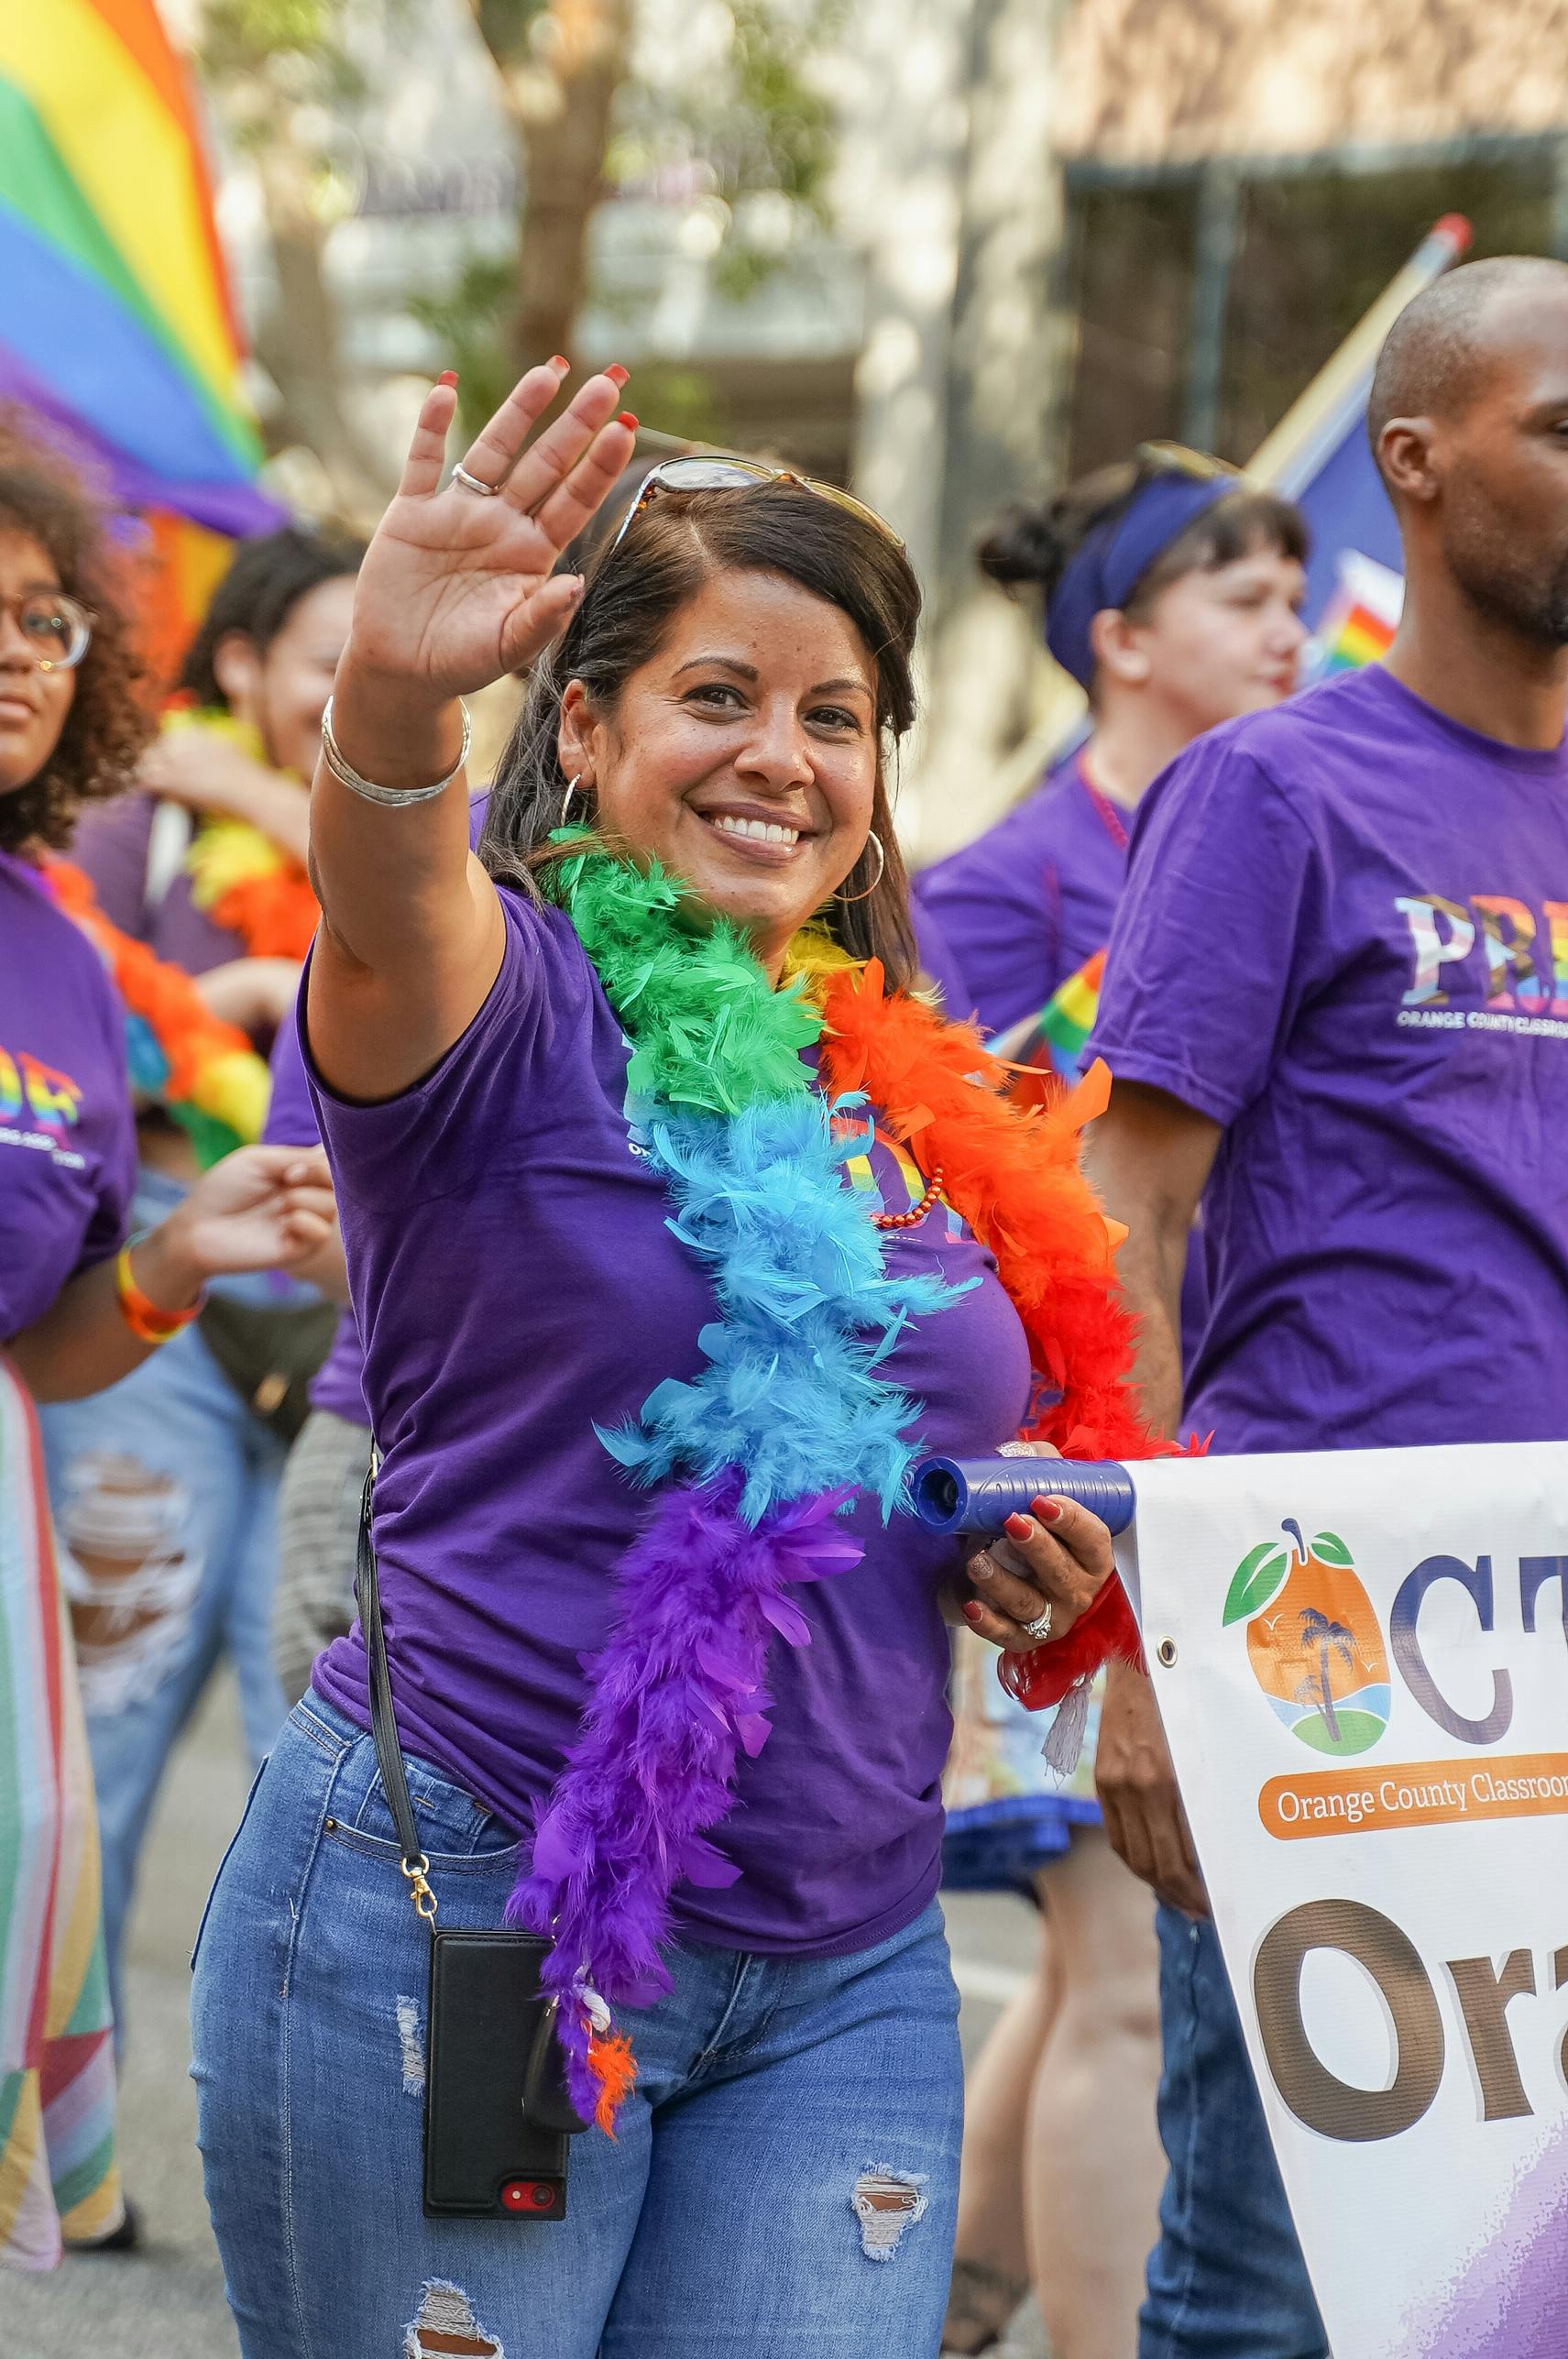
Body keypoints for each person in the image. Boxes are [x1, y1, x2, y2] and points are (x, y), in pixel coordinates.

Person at [190, 366, 1152, 2359]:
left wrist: (1025, 1544)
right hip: (472, 1906)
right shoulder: (503, 1001)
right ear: (588, 724)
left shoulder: (895, 1073)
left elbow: (950, 1420)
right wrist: (385, 696)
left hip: (852, 1958)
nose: (780, 761)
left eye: (835, 717)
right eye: (720, 697)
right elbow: (382, 890)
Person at [1084, 254, 1568, 2359]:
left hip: (1547, 1625)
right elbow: (1127, 1217)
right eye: (1562, 424)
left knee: (1517, 2271)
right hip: (1323, 1646)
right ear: (1417, 467)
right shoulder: (1272, 790)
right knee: (1281, 2289)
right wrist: (1139, 1647)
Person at [930, 454, 1309, 2359]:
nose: (1292, 628)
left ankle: (957, 2289)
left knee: (1092, 1964)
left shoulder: (1310, 826)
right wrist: (1124, 1009)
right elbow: (921, 1148)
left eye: (1298, 593)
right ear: (1123, 640)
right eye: (1246, 596)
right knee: (1127, 1978)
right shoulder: (1008, 877)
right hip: (1080, 1465)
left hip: (1252, 1469)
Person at [0, 413, 334, 2267]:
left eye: (47, 620)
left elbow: (30, 1352)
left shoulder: (50, 938)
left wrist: (170, 1259)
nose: (14, 652)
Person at [36, 524, 363, 2032]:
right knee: (105, 1701)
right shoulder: (141, 803)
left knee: (315, 1727)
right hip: (167, 1297)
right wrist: (225, 1001)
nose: (363, 689)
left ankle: (289, 2087)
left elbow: (459, 921)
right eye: (327, 661)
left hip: (361, 1312)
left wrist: (289, 811)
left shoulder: (459, 825)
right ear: (241, 664)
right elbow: (70, 987)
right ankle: (40, 2112)